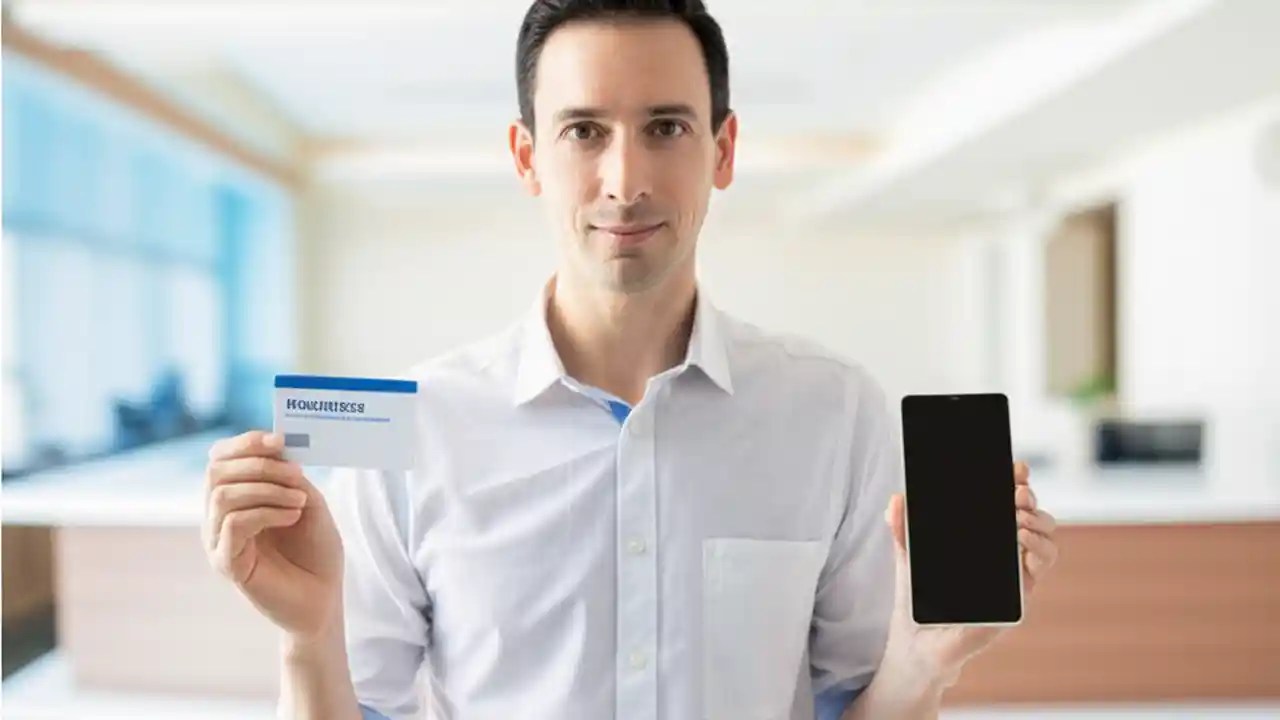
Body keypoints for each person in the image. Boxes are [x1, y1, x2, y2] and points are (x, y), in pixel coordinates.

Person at [201, 2, 1060, 719]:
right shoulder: (414, 426)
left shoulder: (835, 412)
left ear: (722, 151)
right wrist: (307, 639)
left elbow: (850, 703)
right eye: (584, 130)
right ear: (528, 158)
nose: (625, 179)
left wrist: (923, 663)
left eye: (666, 127)